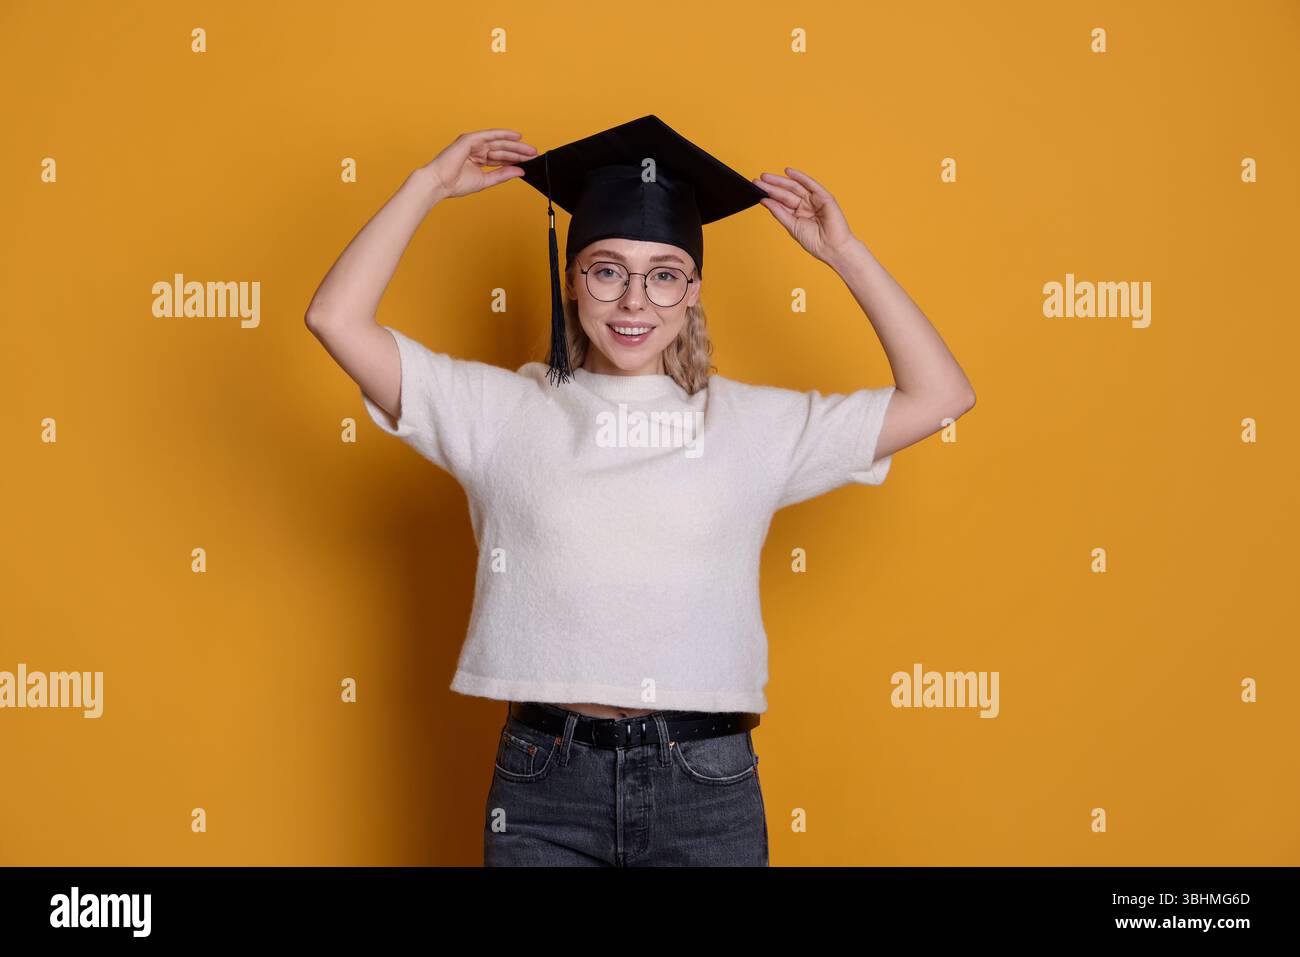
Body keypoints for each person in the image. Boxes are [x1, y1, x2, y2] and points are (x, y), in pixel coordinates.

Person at [304, 116, 975, 866]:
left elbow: (941, 393)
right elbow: (334, 317)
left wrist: (844, 255)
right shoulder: (497, 411)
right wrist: (425, 186)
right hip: (543, 783)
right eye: (606, 269)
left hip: (705, 782)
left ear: (691, 291)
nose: (633, 301)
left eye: (663, 274)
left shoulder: (751, 424)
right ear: (572, 279)